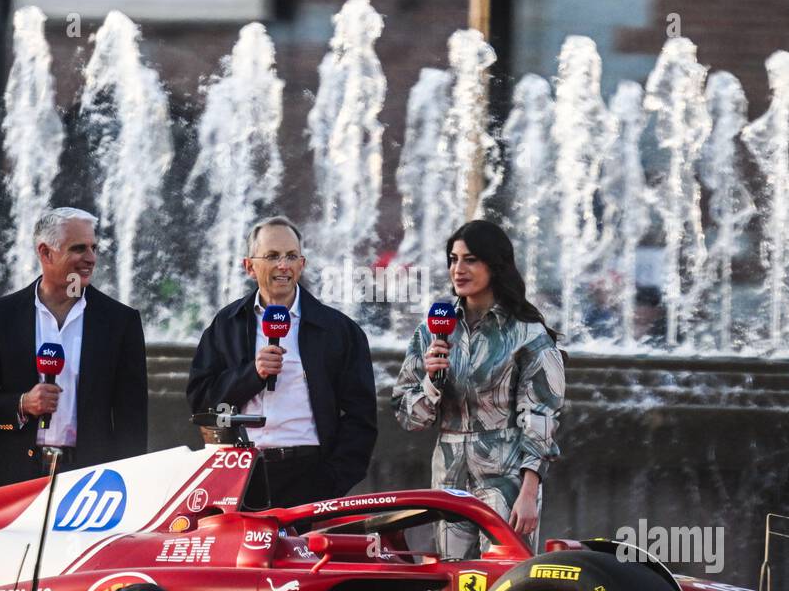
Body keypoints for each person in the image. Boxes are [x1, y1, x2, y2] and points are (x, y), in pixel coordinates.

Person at [392, 220, 565, 559]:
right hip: (449, 478)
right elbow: (408, 416)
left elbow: (542, 417)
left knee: (504, 584)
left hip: (507, 479)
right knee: (451, 585)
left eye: (470, 260)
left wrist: (529, 492)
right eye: (453, 259)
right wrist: (431, 382)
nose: (458, 269)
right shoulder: (432, 330)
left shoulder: (527, 333)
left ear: (494, 264)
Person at [186, 216, 377, 509]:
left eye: (291, 256)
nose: (283, 266)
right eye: (272, 256)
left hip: (311, 474)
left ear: (302, 264)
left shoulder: (338, 331)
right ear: (249, 266)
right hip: (242, 475)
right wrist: (252, 373)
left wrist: (333, 479)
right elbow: (201, 400)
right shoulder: (227, 325)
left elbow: (361, 417)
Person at [0, 208, 148, 489]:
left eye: (94, 248)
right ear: (46, 253)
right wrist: (22, 404)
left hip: (90, 483)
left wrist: (129, 487)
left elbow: (132, 420)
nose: (91, 259)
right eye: (79, 249)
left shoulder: (121, 322)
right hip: (14, 478)